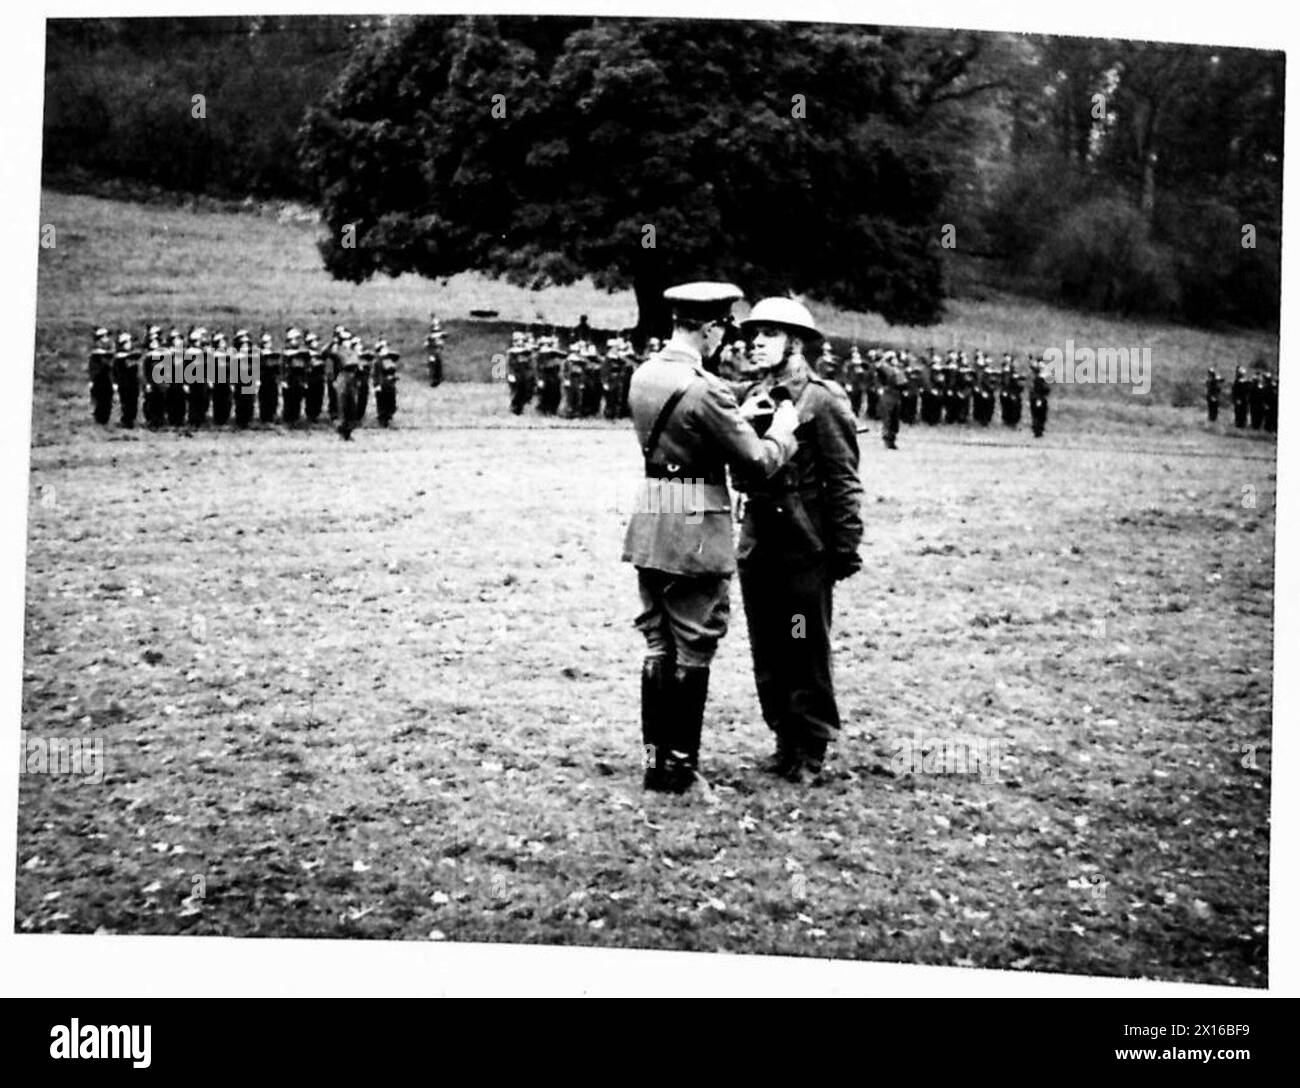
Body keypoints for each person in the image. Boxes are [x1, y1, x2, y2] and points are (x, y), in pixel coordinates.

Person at [623, 282, 800, 795]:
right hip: (696, 526)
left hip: (655, 513)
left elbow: (681, 436)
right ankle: (681, 768)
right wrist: (782, 428)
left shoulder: (646, 374)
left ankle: (656, 766)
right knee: (694, 642)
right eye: (723, 328)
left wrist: (732, 422)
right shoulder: (707, 389)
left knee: (657, 641)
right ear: (708, 328)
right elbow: (758, 461)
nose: (726, 339)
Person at [734, 297, 863, 783]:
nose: (757, 342)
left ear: (794, 342)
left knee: (802, 644)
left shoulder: (822, 399)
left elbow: (844, 477)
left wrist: (846, 546)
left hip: (804, 545)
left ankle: (810, 748)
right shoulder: (751, 395)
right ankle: (783, 740)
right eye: (754, 334)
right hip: (758, 541)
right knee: (768, 648)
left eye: (769, 334)